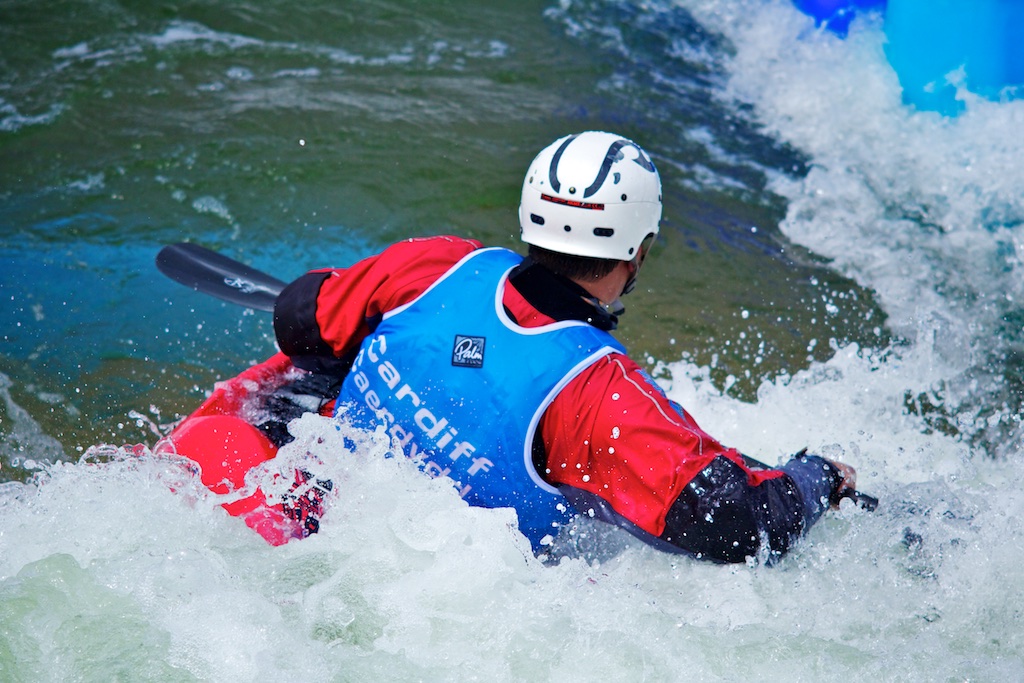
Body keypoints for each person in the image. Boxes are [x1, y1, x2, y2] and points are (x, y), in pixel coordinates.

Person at [271, 131, 858, 564]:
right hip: (428, 582)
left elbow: (300, 321)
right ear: (639, 251)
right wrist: (817, 478)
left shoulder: (436, 263)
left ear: (530, 216)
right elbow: (733, 523)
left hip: (311, 498)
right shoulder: (601, 394)